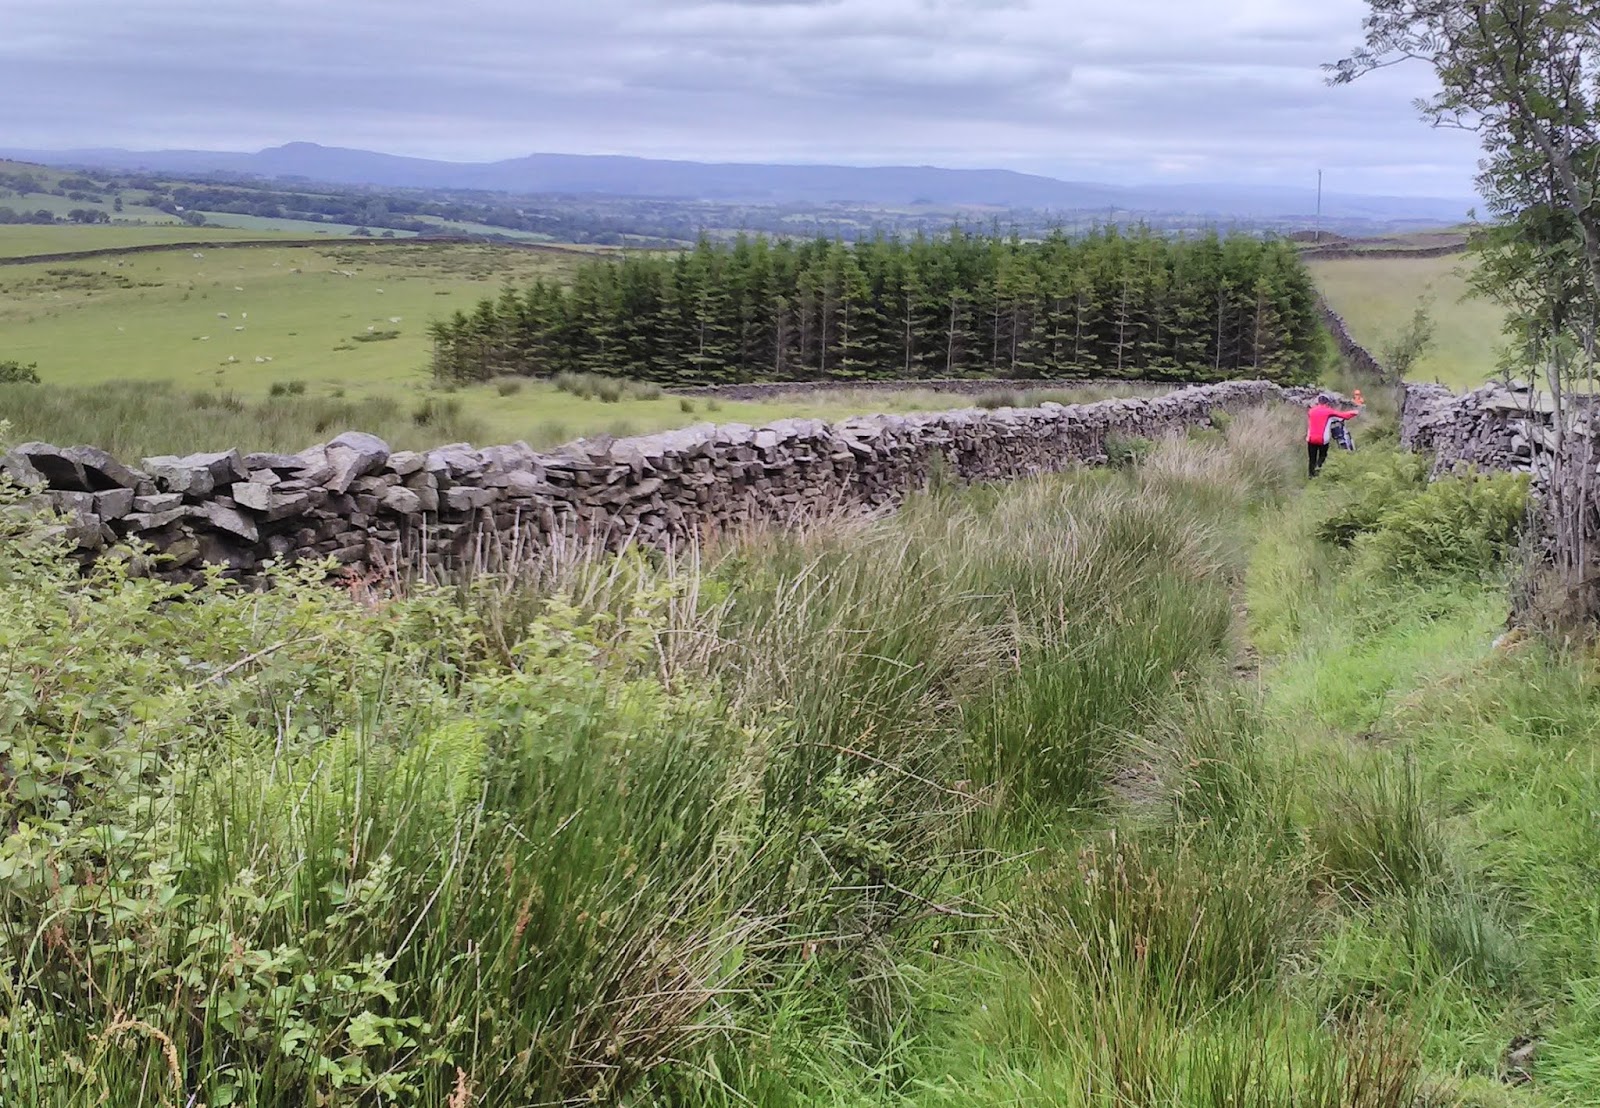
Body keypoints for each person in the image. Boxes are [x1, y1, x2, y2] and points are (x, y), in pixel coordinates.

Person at [1306, 392, 1359, 477]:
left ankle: (1310, 475)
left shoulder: (1311, 411)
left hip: (1311, 438)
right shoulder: (1329, 412)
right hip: (1323, 439)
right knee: (1322, 456)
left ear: (1318, 401)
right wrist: (1354, 412)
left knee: (1312, 458)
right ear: (1327, 402)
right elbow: (1343, 416)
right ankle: (1318, 471)